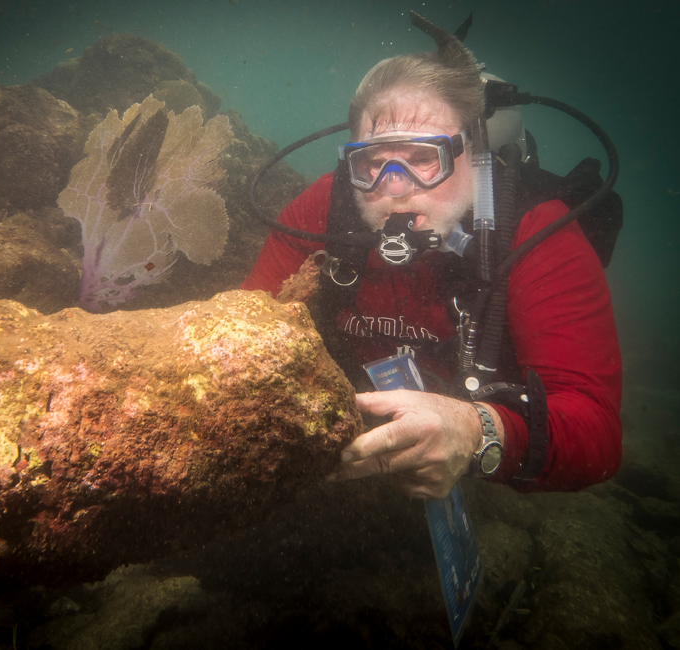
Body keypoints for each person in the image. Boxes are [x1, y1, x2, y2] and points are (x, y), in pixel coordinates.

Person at [241, 14, 622, 499]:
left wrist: (477, 431)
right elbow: (245, 326)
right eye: (374, 162)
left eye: (424, 158)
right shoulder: (325, 206)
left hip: (473, 433)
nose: (395, 189)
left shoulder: (535, 229)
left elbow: (598, 431)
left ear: (475, 157)